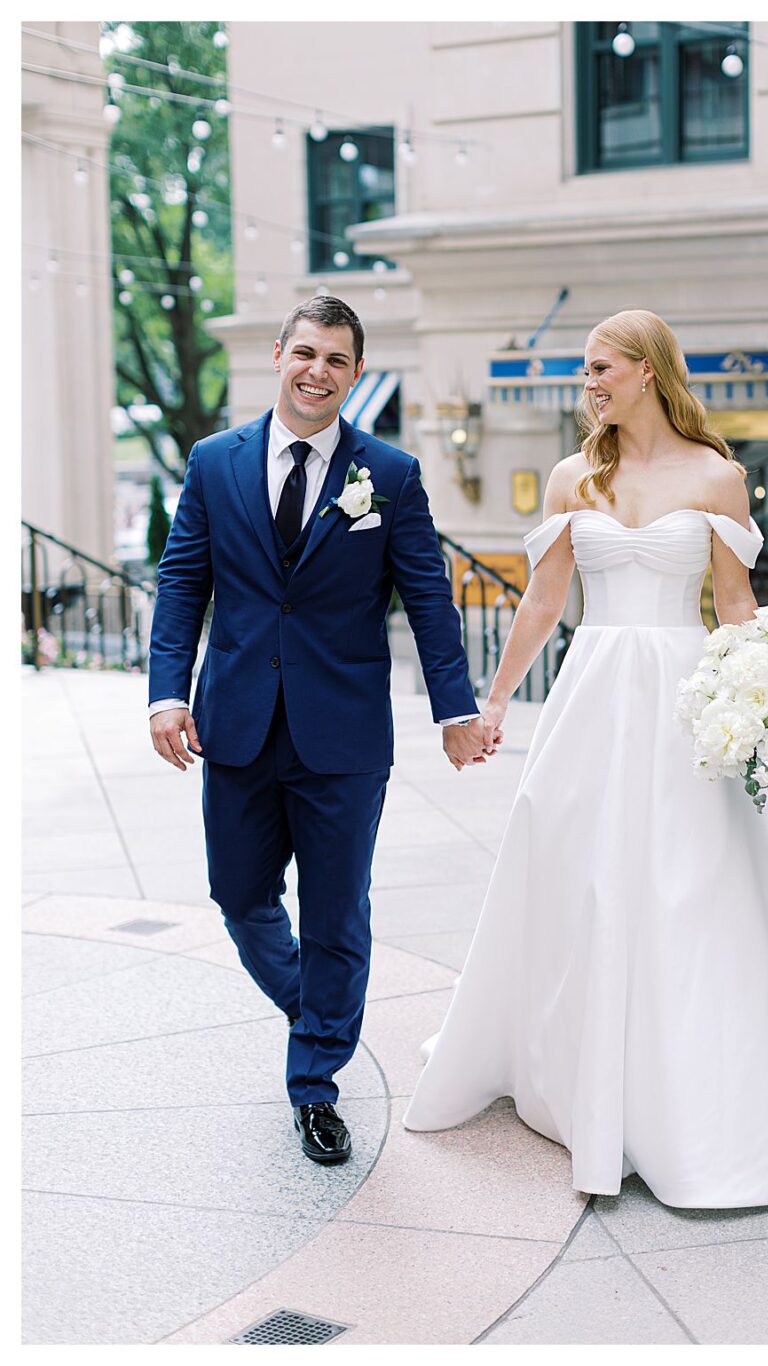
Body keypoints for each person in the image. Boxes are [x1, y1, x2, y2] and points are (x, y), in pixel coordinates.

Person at [401, 309, 768, 1208]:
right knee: (576, 867)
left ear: (647, 370)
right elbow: (544, 604)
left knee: (692, 876)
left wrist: (766, 703)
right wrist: (491, 701)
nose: (588, 383)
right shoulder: (570, 477)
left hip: (685, 695)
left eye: (601, 368)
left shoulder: (717, 477)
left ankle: (700, 1088)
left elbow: (733, 601)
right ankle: (575, 1063)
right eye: (585, 370)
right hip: (594, 692)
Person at [148, 294, 493, 1167]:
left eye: (337, 360)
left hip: (342, 735)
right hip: (234, 724)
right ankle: (322, 1010)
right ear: (278, 355)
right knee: (239, 897)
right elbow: (183, 582)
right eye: (306, 352)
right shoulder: (213, 463)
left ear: (356, 372)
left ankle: (316, 1088)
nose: (318, 371)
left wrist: (455, 709)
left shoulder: (394, 474)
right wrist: (166, 693)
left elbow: (428, 601)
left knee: (338, 915)